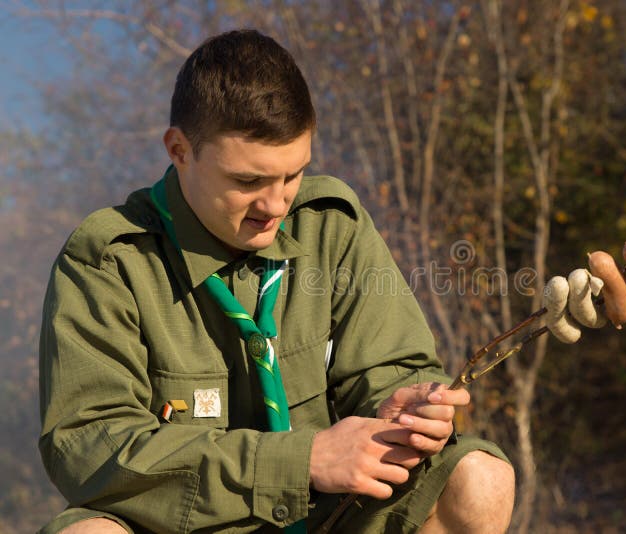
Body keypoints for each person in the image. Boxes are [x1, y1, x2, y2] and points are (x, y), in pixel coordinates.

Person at [38, 29, 514, 533]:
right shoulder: (108, 261)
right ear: (179, 149)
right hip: (184, 525)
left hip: (331, 515)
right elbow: (88, 447)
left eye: (292, 176)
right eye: (247, 182)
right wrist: (299, 461)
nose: (274, 205)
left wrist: (404, 410)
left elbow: (391, 371)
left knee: (481, 478)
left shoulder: (332, 224)